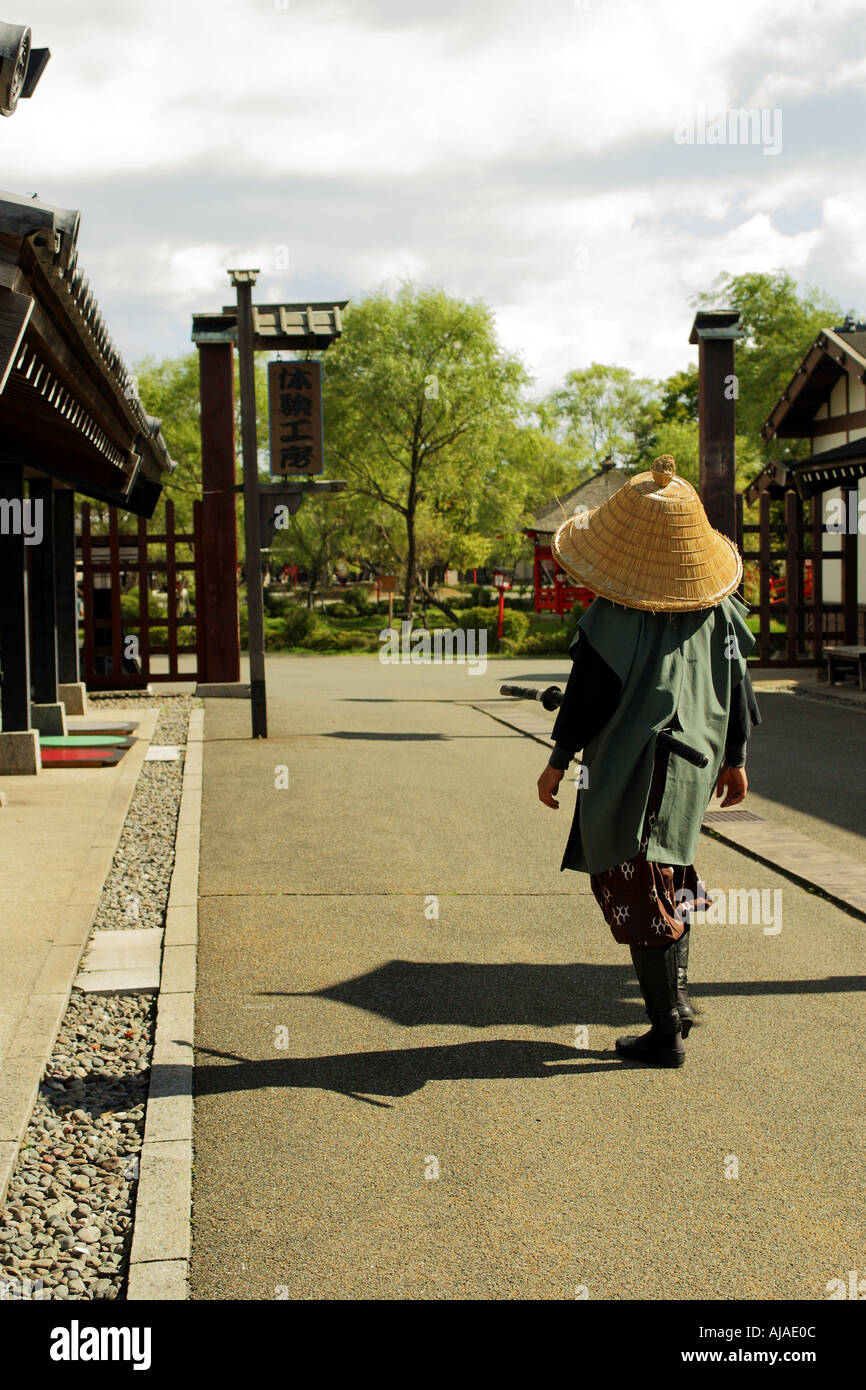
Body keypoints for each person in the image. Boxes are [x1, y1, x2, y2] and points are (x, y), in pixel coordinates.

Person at [536, 455, 760, 1068]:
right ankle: (678, 1003)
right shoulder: (720, 610)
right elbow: (738, 689)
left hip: (635, 764)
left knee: (635, 881)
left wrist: (559, 759)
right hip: (693, 762)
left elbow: (588, 699)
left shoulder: (613, 616)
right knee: (671, 870)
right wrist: (735, 759)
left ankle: (665, 1032)